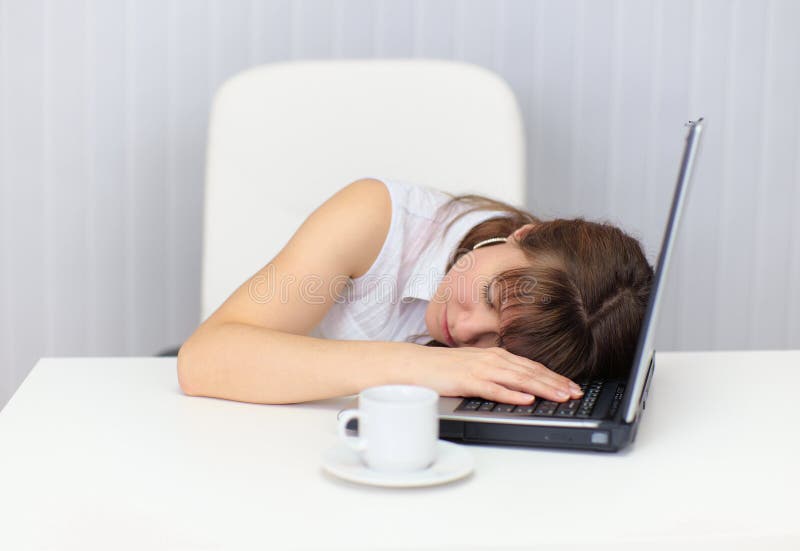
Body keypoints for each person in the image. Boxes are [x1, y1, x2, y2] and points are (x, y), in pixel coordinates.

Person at [177, 178, 653, 407]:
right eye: (489, 296)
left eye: (500, 345)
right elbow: (203, 359)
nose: (465, 330)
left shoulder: (557, 323)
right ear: (525, 235)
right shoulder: (376, 219)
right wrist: (421, 365)